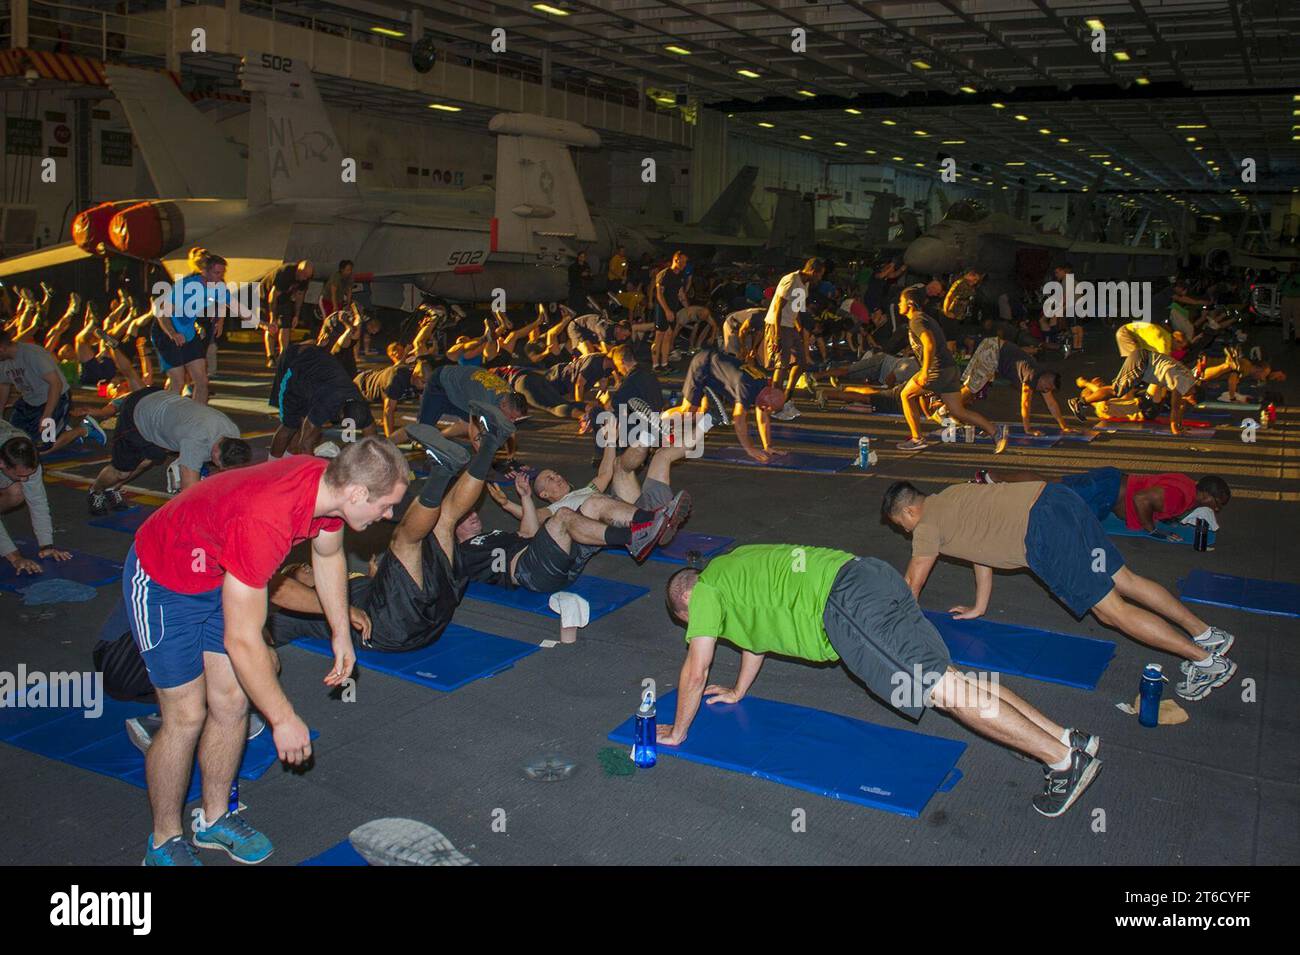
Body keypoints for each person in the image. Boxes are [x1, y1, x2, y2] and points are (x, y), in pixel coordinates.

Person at [124, 437, 410, 865]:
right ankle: (164, 840)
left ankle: (215, 818)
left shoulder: (328, 489)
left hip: (224, 573)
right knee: (186, 717)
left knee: (234, 701)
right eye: (386, 506)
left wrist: (339, 632)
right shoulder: (267, 519)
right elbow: (243, 640)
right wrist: (282, 718)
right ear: (356, 493)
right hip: (167, 581)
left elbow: (328, 555)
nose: (388, 515)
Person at [662, 545, 1102, 817]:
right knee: (951, 677)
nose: (702, 629)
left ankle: (1063, 760)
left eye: (692, 623)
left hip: (846, 605)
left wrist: (679, 731)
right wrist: (739, 690)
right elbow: (753, 640)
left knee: (938, 691)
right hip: (868, 575)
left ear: (686, 605)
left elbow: (695, 670)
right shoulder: (732, 569)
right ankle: (1068, 737)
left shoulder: (702, 595)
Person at [881, 480, 1238, 702]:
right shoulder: (954, 495)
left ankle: (1207, 663)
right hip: (1057, 498)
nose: (907, 532)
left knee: (1110, 610)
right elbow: (979, 552)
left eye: (903, 524)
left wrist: (897, 632)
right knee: (1123, 578)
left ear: (911, 510)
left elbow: (913, 582)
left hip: (1044, 531)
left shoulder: (926, 526)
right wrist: (979, 605)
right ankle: (1207, 634)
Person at [474, 417, 691, 590]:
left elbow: (605, 472)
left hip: (627, 508)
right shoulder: (553, 510)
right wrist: (507, 505)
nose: (557, 477)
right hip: (612, 518)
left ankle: (668, 430)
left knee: (632, 463)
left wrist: (611, 439)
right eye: (550, 479)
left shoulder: (587, 490)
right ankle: (654, 522)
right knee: (598, 498)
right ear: (544, 493)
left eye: (556, 473)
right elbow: (531, 518)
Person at [88, 388, 252, 514]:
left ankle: (112, 488)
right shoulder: (196, 442)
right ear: (215, 453)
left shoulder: (232, 432)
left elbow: (230, 473)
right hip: (138, 414)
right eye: (219, 465)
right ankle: (96, 490)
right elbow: (189, 496)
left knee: (146, 461)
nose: (220, 470)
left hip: (163, 407)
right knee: (121, 472)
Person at [974, 467, 1230, 541]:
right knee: (1045, 488)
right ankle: (992, 477)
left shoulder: (1186, 483)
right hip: (1105, 490)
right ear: (1207, 496)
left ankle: (991, 480)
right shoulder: (1182, 496)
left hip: (1108, 487)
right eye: (1217, 504)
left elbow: (1142, 494)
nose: (1215, 510)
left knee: (1047, 487)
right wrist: (1152, 529)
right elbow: (1142, 499)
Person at [895, 286, 1008, 453]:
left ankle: (917, 438)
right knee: (958, 411)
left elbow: (929, 342)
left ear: (910, 304)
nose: (898, 305)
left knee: (906, 395)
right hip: (949, 368)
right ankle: (995, 432)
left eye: (901, 302)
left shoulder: (916, 320)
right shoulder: (924, 318)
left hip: (937, 369)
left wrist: (925, 371)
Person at [664, 347, 787, 463]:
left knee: (703, 412)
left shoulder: (763, 385)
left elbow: (763, 419)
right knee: (688, 411)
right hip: (703, 364)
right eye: (767, 408)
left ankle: (673, 427)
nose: (765, 410)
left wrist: (768, 446)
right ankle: (660, 419)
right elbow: (738, 419)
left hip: (716, 370)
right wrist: (750, 449)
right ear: (766, 400)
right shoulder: (746, 387)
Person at [0, 330, 101, 454]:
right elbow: (4, 385)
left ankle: (83, 429)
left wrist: (47, 415)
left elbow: (56, 384)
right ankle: (62, 430)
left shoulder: (32, 354)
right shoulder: (3, 361)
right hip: (30, 402)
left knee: (40, 449)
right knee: (11, 443)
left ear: (2, 349)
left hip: (55, 398)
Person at [268, 343, 376, 458]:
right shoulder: (327, 404)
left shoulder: (361, 407)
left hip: (317, 376)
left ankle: (290, 461)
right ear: (341, 413)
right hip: (294, 364)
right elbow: (305, 445)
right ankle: (271, 466)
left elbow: (375, 445)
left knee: (305, 423)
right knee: (290, 425)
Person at [151, 251, 227, 404]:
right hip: (167, 330)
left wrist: (220, 319)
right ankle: (163, 415)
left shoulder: (218, 284)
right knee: (178, 381)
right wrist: (172, 333)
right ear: (204, 271)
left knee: (202, 380)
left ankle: (198, 418)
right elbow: (161, 312)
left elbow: (225, 302)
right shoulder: (187, 285)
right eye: (216, 272)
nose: (220, 277)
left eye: (222, 273)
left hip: (188, 331)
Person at [958, 336, 1073, 435]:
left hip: (994, 349)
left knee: (973, 387)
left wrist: (1064, 426)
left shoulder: (1043, 379)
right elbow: (1025, 403)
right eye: (1047, 388)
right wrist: (1028, 429)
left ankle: (951, 407)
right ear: (1046, 381)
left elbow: (1051, 403)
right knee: (973, 388)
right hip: (993, 349)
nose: (1046, 391)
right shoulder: (1032, 376)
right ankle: (948, 407)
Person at [0, 421, 72, 575]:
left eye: (28, 475)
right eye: (20, 475)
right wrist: (15, 558)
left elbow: (38, 501)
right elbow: (15, 558)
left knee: (17, 492)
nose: (25, 480)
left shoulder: (25, 452)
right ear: (2, 464)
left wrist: (46, 546)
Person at [764, 258, 825, 407]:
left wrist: (798, 328)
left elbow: (796, 308)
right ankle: (775, 402)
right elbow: (778, 306)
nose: (820, 278)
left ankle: (787, 396)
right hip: (778, 324)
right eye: (819, 275)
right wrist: (777, 334)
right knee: (782, 365)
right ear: (812, 271)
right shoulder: (791, 280)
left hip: (790, 325)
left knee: (801, 362)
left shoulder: (805, 284)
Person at [415, 363, 529, 442]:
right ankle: (396, 444)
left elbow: (509, 430)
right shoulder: (485, 402)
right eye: (512, 417)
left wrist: (510, 459)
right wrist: (484, 462)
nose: (512, 421)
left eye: (515, 418)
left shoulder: (508, 395)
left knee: (470, 423)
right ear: (503, 405)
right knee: (423, 430)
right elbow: (475, 432)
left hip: (460, 390)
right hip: (440, 384)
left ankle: (441, 437)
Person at [355, 356, 432, 443]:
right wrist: (391, 441)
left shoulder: (421, 381)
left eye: (427, 383)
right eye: (423, 382)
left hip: (378, 381)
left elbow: (424, 408)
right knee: (367, 427)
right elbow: (388, 411)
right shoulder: (397, 380)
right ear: (414, 376)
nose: (425, 386)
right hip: (361, 387)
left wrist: (421, 436)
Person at [259, 260, 314, 368]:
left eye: (308, 276)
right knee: (271, 326)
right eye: (304, 275)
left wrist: (296, 315)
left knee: (286, 325)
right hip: (266, 297)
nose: (305, 278)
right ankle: (271, 356)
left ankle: (283, 356)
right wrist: (272, 317)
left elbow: (300, 296)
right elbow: (272, 296)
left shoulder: (304, 278)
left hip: (284, 298)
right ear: (299, 270)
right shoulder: (285, 273)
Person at [651, 251, 690, 371]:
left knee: (668, 335)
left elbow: (680, 293)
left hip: (673, 309)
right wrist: (667, 310)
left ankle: (664, 363)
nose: (684, 264)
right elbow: (659, 294)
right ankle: (655, 365)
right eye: (681, 261)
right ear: (675, 260)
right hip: (663, 309)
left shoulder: (680, 276)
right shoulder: (665, 274)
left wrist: (687, 308)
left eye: (685, 262)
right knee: (659, 336)